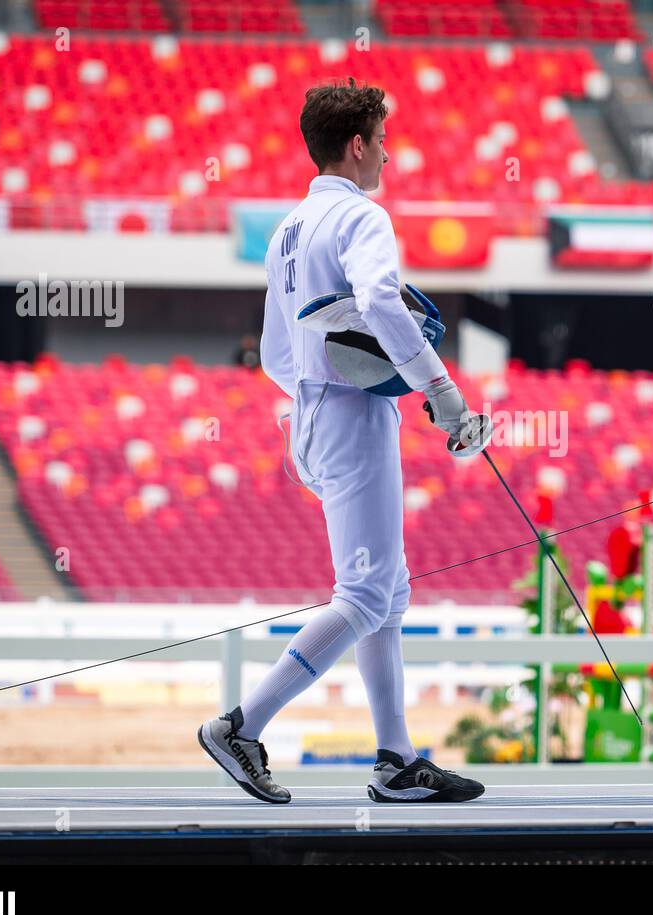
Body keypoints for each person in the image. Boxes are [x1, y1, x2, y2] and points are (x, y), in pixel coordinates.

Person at [197, 79, 485, 804]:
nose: (387, 156)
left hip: (311, 417)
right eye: (382, 142)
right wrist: (440, 391)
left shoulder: (290, 229)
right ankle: (240, 725)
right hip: (350, 418)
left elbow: (272, 353)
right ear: (357, 146)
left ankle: (396, 759)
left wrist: (319, 392)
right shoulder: (362, 218)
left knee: (387, 593)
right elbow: (382, 300)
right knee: (363, 593)